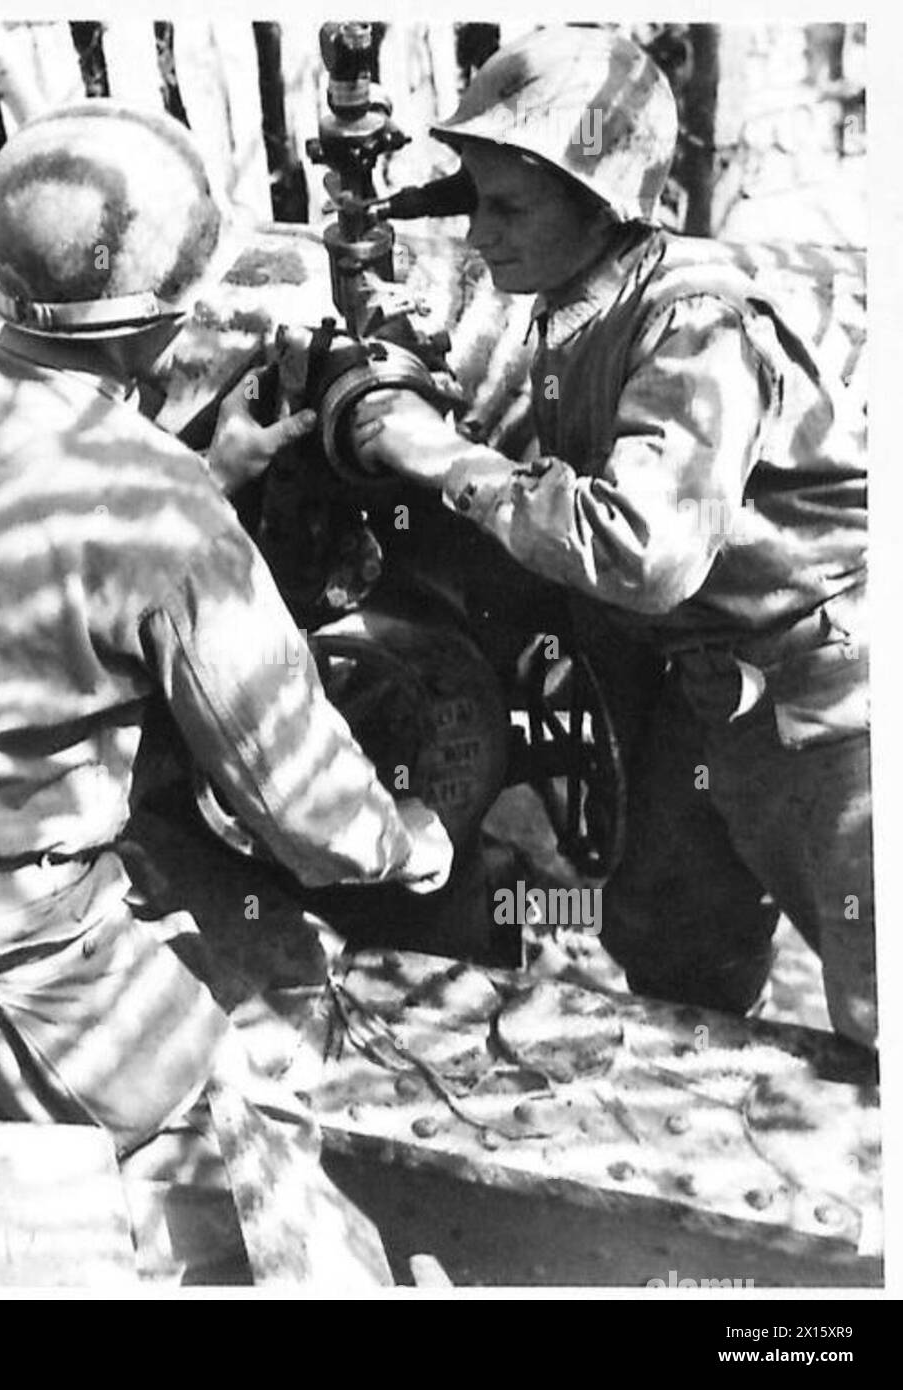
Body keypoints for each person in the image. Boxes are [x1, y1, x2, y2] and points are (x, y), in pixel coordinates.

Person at [0, 100, 451, 1192]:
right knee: (228, 1168)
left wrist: (203, 473)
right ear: (167, 317)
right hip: (8, 949)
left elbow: (7, 528)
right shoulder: (161, 511)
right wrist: (405, 841)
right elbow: (305, 806)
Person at [348, 26, 874, 1048]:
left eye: (508, 208)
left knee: (875, 1008)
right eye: (474, 201)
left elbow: (644, 551)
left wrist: (441, 461)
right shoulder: (575, 305)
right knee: (674, 957)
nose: (477, 235)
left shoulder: (696, 325)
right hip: (701, 688)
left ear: (604, 203)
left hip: (827, 703)